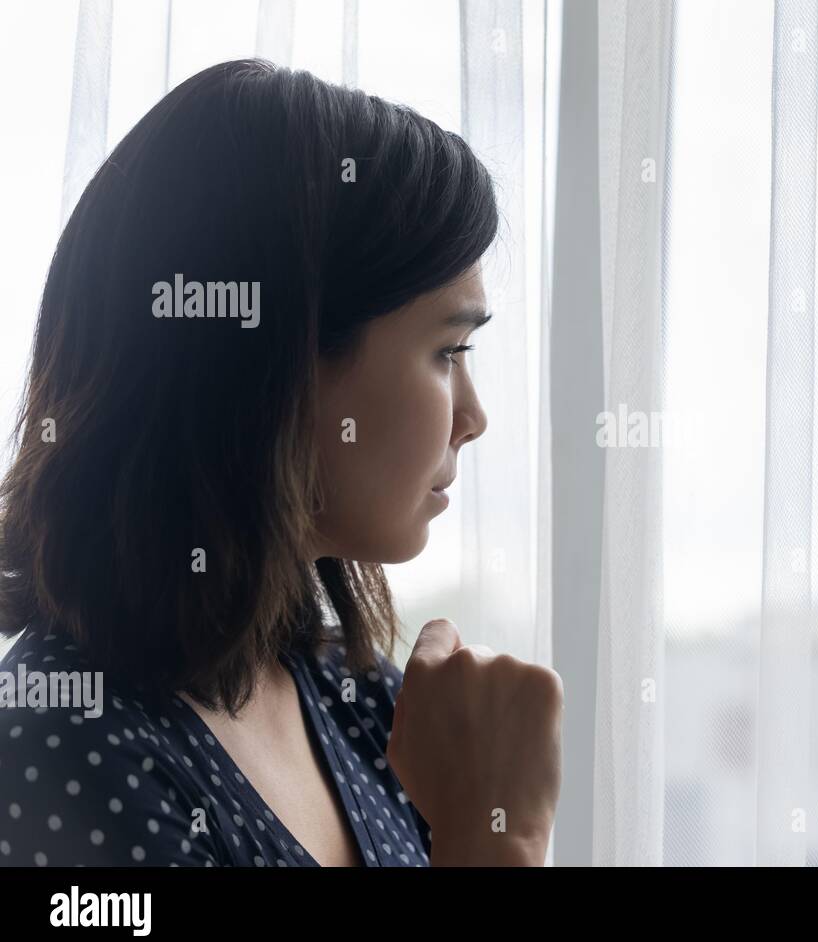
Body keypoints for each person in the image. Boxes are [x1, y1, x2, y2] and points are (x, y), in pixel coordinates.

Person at [0, 58, 562, 867]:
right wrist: (498, 834)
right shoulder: (59, 751)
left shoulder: (357, 695)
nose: (473, 417)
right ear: (277, 373)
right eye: (447, 351)